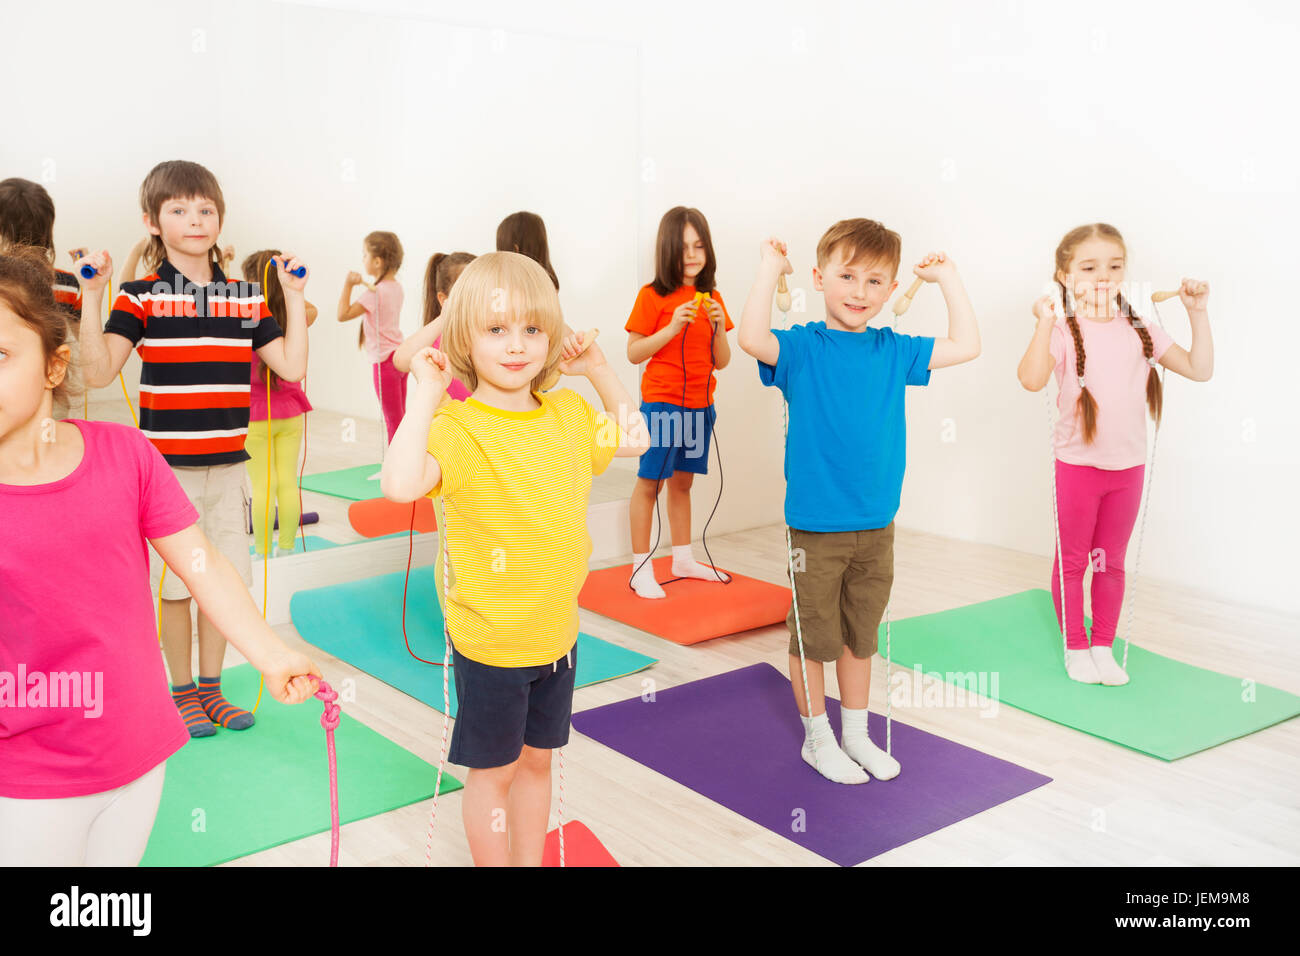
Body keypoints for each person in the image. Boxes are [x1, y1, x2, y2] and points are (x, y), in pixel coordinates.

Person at [0, 244, 320, 865]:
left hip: (139, 754)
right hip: (27, 775)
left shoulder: (126, 456)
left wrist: (271, 653)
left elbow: (202, 564)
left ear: (53, 366)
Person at [381, 251, 649, 865]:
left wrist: (601, 369)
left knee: (538, 763)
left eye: (532, 329)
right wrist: (424, 390)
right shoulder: (458, 426)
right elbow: (399, 485)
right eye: (496, 330)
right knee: (493, 772)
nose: (516, 345)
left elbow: (635, 437)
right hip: (491, 641)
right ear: (463, 340)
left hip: (556, 636)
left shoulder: (570, 414)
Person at [738, 219, 981, 784]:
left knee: (858, 636)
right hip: (816, 527)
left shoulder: (894, 351)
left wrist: (947, 277)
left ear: (891, 292)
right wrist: (769, 268)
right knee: (813, 637)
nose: (859, 291)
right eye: (847, 276)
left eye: (875, 282)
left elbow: (968, 345)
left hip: (876, 525)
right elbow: (751, 337)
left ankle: (856, 734)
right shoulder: (801, 347)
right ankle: (817, 738)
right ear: (820, 278)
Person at [73, 159, 309, 736]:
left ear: (220, 218)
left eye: (205, 209)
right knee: (177, 586)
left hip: (229, 469)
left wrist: (295, 297)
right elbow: (99, 372)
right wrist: (91, 295)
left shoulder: (247, 298)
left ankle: (212, 688)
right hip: (164, 475)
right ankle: (179, 690)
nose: (194, 219)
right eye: (178, 209)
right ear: (153, 222)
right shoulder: (141, 297)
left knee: (223, 581)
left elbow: (293, 366)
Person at [1016, 222, 1213, 685]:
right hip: (1078, 470)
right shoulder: (1064, 330)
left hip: (1128, 470)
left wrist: (1197, 313)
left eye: (1114, 266)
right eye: (1089, 267)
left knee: (1110, 561)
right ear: (1064, 274)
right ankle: (1075, 647)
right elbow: (1029, 378)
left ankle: (1103, 645)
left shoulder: (1140, 328)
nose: (1103, 275)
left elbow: (1199, 369)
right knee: (1074, 561)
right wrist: (1044, 321)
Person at [625, 206, 734, 598]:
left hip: (700, 406)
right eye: (683, 247)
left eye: (699, 246)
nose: (691, 255)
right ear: (668, 250)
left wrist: (719, 327)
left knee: (683, 485)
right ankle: (640, 568)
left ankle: (683, 559)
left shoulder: (713, 298)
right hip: (662, 406)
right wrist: (672, 327)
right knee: (649, 484)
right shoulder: (651, 296)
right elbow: (634, 352)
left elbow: (722, 360)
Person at [339, 231, 405, 442]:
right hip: (399, 358)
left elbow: (342, 314)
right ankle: (404, 466)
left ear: (377, 261)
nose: (362, 260)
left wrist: (348, 285)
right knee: (400, 418)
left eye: (364, 255)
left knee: (392, 421)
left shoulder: (374, 292)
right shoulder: (396, 287)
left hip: (384, 364)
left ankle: (396, 470)